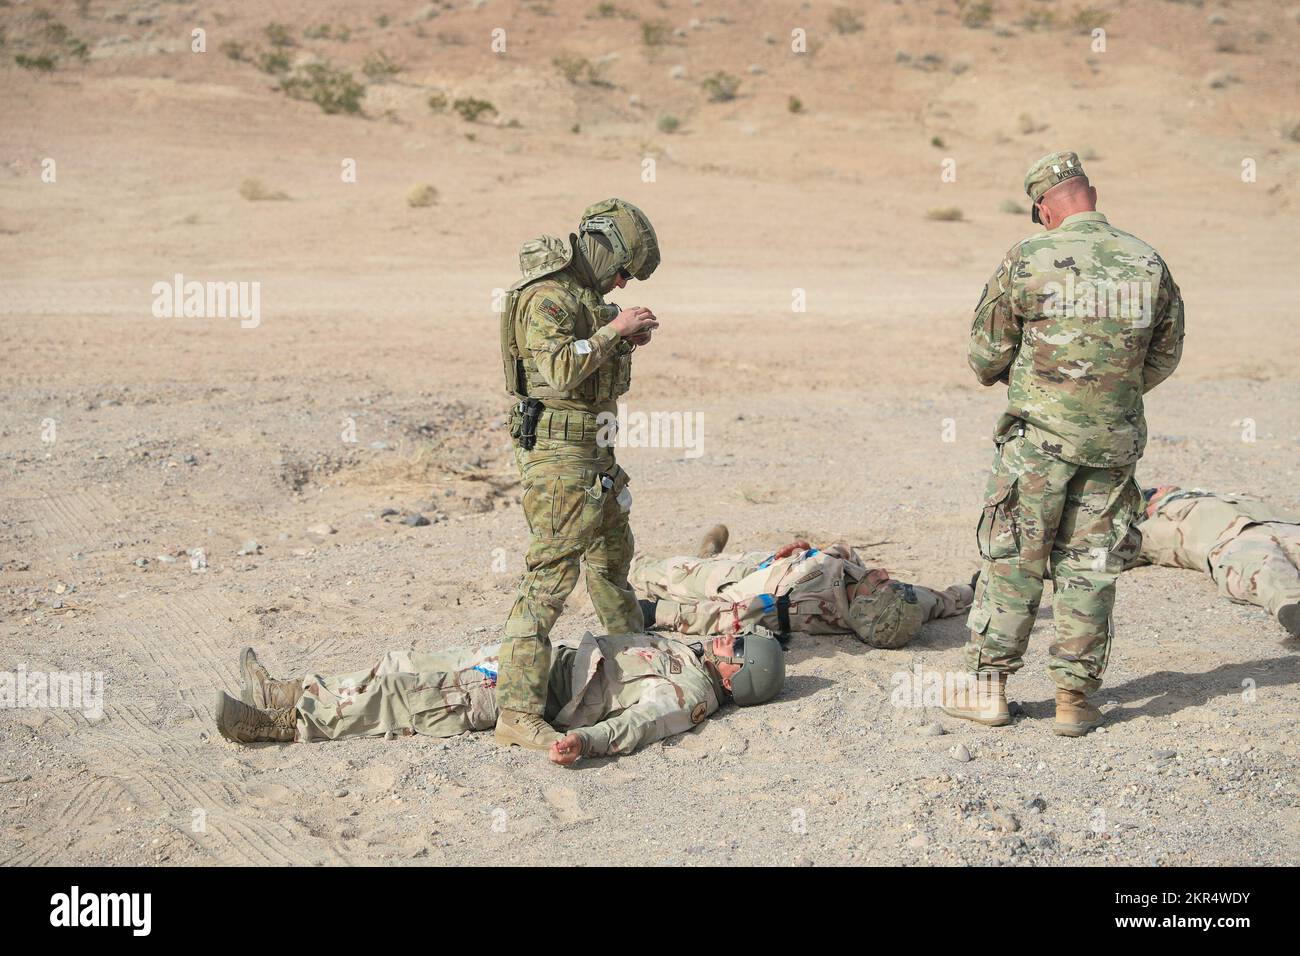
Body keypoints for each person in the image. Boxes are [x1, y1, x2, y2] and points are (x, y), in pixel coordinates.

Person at [946, 150, 1185, 737]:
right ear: (1091, 195)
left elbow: (985, 354)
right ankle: (1073, 701)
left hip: (1038, 444)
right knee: (1091, 565)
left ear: (1045, 208)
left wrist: (1041, 383)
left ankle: (989, 691)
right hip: (1111, 442)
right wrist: (1109, 391)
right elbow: (1165, 354)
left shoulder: (1027, 259)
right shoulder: (1147, 261)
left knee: (1015, 558)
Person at [495, 199, 661, 751]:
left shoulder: (586, 300)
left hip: (595, 452)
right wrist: (616, 330)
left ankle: (632, 662)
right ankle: (518, 711)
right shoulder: (548, 295)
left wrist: (621, 337)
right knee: (550, 576)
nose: (620, 283)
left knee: (614, 556)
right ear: (605, 248)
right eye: (621, 270)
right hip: (560, 458)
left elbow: (593, 367)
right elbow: (560, 370)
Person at [214, 631, 785, 765]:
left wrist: (581, 740)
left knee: (410, 697)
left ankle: (283, 724)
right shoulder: (692, 655)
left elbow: (640, 726)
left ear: (739, 674)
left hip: (532, 693)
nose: (726, 635)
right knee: (405, 665)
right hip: (537, 660)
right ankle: (285, 689)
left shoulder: (689, 693)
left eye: (736, 643)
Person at [630, 525, 973, 648]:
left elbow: (728, 617)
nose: (884, 573)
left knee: (640, 572)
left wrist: (656, 612)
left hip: (731, 584)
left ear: (863, 606)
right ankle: (703, 557)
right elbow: (942, 601)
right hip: (768, 564)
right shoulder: (904, 606)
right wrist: (976, 589)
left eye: (881, 584)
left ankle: (699, 561)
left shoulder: (803, 606)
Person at [1134, 486, 1300, 638]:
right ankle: (1294, 608)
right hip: (1239, 538)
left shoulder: (1231, 495)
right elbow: (1120, 549)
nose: (1161, 487)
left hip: (1291, 528)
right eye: (1150, 493)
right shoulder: (1156, 524)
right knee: (1263, 570)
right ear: (1145, 510)